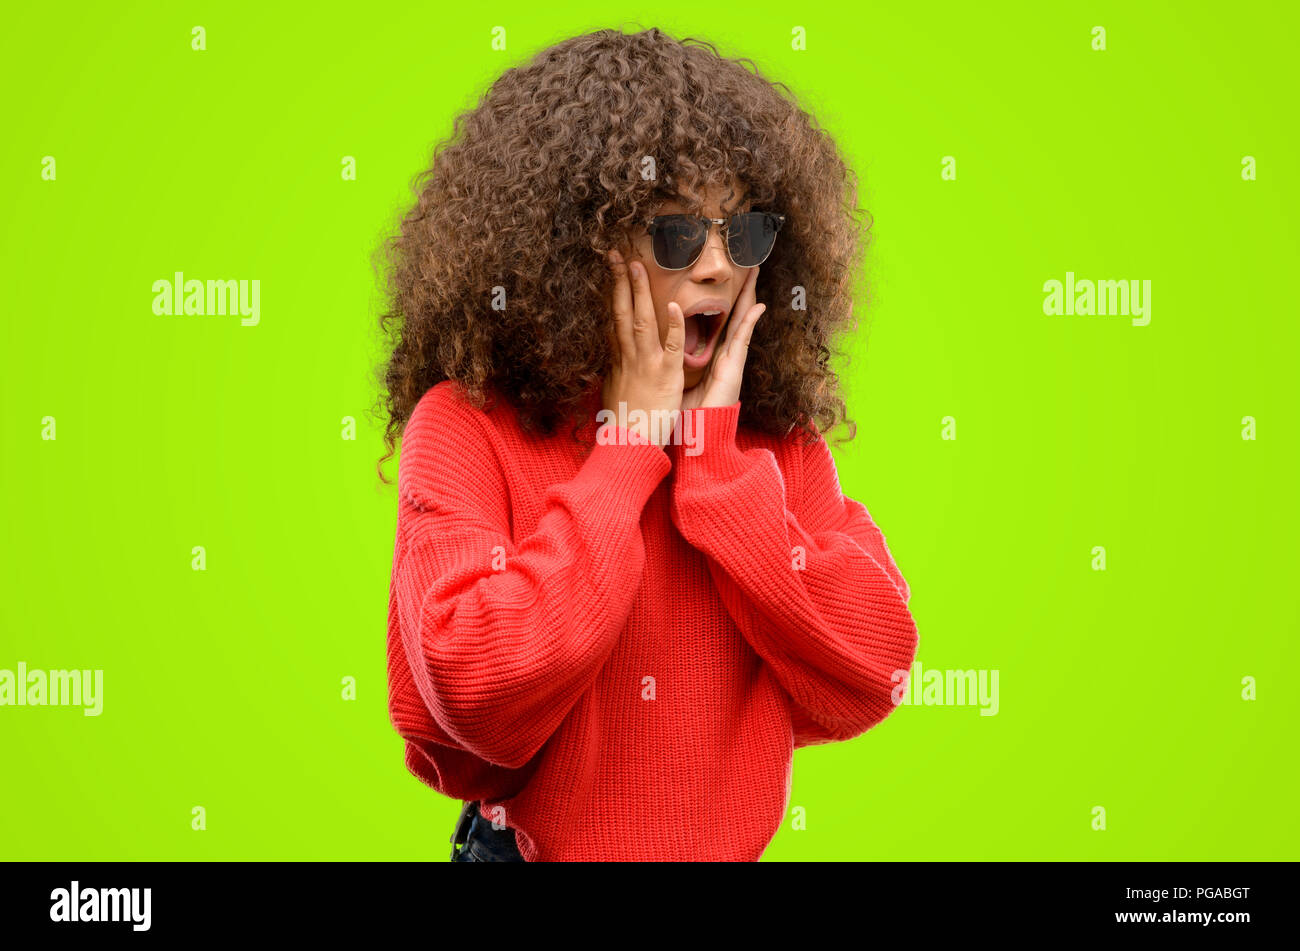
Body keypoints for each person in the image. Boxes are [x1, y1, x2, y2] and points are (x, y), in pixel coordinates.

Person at [375, 26, 919, 862]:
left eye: (744, 235)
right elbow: (475, 690)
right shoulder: (466, 424)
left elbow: (874, 669)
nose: (717, 270)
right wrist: (628, 448)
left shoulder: (769, 439)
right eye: (675, 236)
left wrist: (714, 459)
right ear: (573, 250)